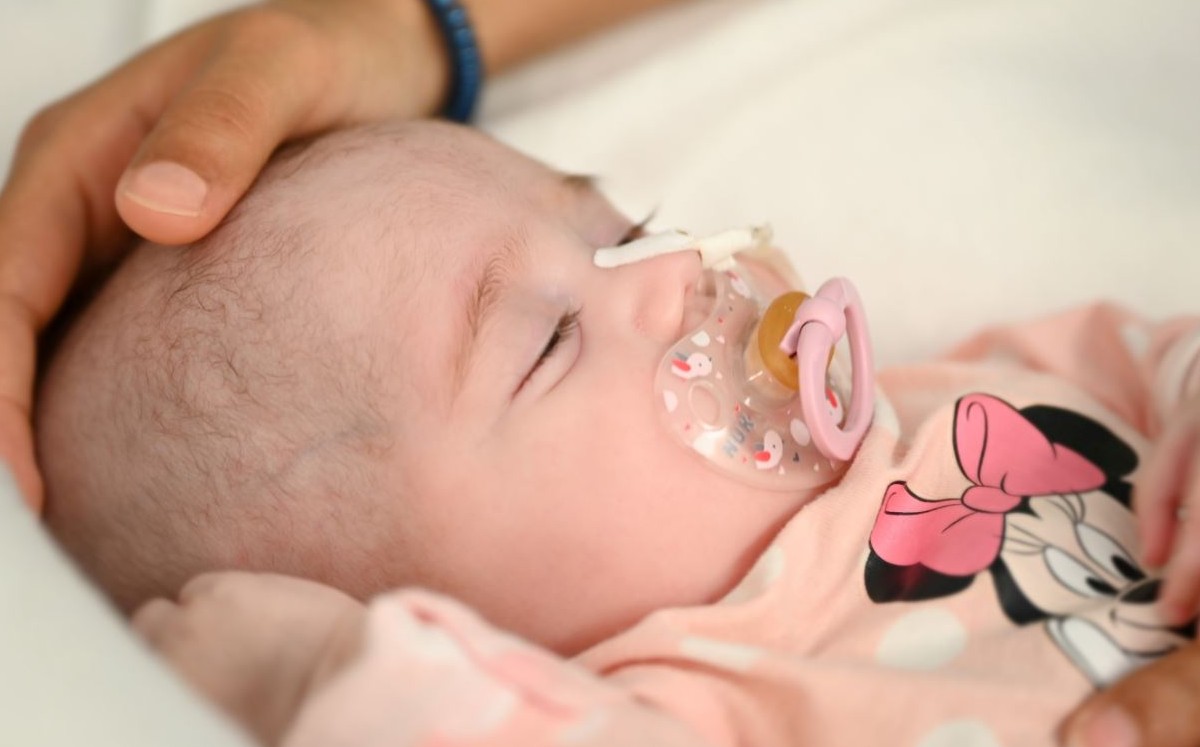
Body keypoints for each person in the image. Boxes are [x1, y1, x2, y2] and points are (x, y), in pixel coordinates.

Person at [36, 119, 1200, 746]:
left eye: (629, 229)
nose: (671, 280)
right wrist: (322, 675)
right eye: (547, 344)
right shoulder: (680, 700)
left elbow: (1165, 359)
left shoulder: (959, 394)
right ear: (438, 620)